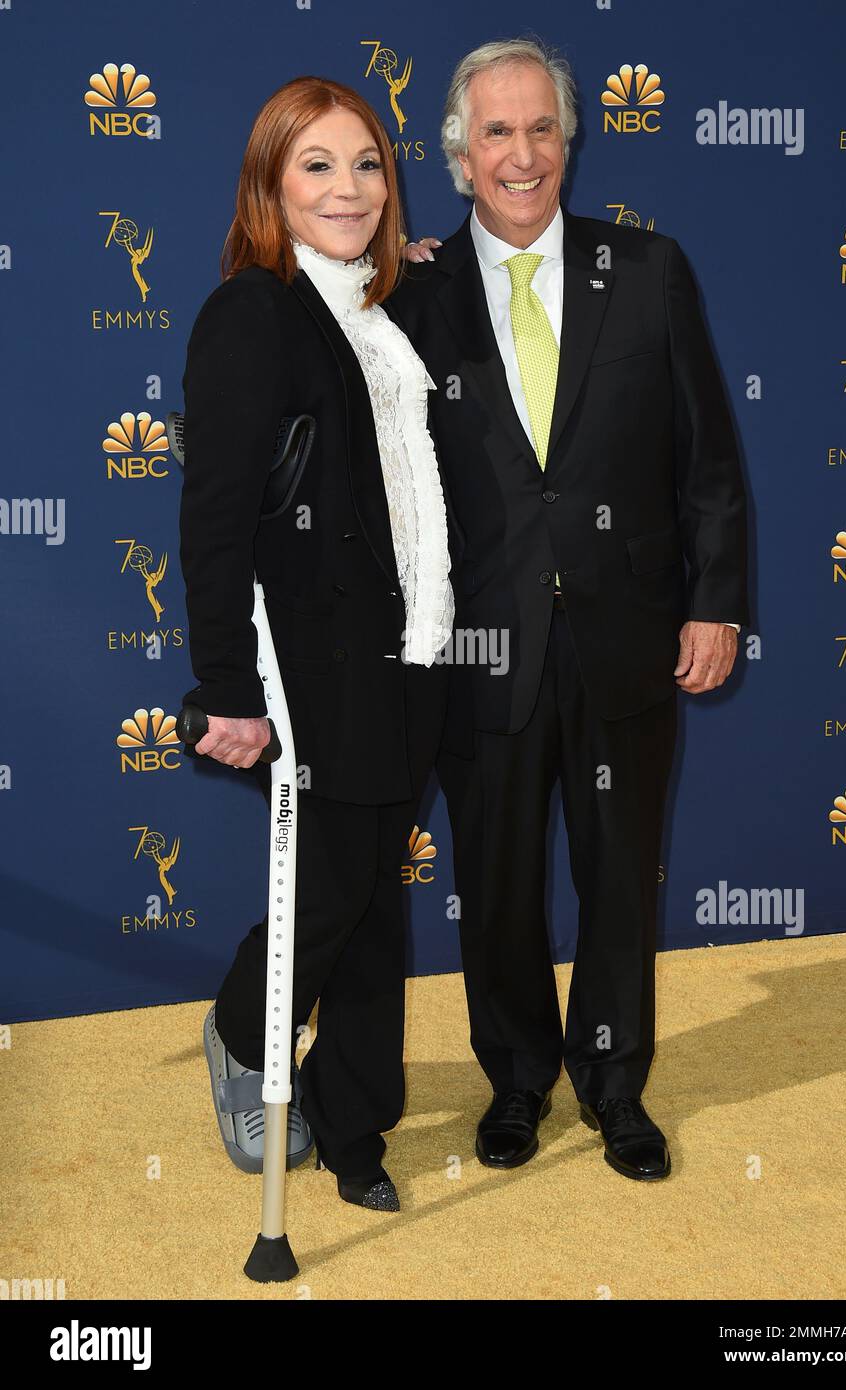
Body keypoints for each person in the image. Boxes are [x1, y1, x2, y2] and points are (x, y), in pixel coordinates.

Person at [390, 37, 749, 1181]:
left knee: (617, 874)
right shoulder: (413, 294)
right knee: (493, 884)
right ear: (458, 155)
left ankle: (615, 1086)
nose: (523, 153)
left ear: (570, 139)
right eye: (496, 132)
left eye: (541, 127)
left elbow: (707, 455)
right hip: (482, 645)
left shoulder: (647, 269)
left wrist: (716, 603)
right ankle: (516, 1082)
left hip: (628, 635)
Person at [178, 76, 455, 1211]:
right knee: (330, 890)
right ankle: (244, 1035)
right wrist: (230, 690)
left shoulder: (376, 311)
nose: (349, 187)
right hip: (310, 667)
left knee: (373, 892)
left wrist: (421, 274)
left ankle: (354, 1122)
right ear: (269, 185)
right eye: (317, 165)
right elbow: (212, 518)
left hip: (410, 647)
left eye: (369, 164)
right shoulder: (253, 311)